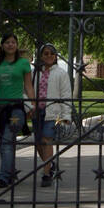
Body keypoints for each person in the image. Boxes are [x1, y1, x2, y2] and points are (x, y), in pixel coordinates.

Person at [0, 33, 35, 189]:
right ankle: (9, 175)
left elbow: (28, 86)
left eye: (13, 42)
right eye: (7, 42)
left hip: (16, 110)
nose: (11, 45)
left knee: (7, 141)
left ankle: (3, 178)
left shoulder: (23, 64)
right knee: (4, 144)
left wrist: (33, 104)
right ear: (2, 45)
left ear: (16, 46)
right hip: (0, 110)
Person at [33, 42, 73, 187]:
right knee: (38, 142)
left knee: (46, 140)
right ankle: (49, 164)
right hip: (37, 112)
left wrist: (66, 115)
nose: (49, 56)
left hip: (53, 112)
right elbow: (28, 90)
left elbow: (66, 94)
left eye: (51, 53)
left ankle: (46, 174)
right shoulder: (35, 72)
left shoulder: (61, 73)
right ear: (41, 56)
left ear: (56, 56)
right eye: (46, 53)